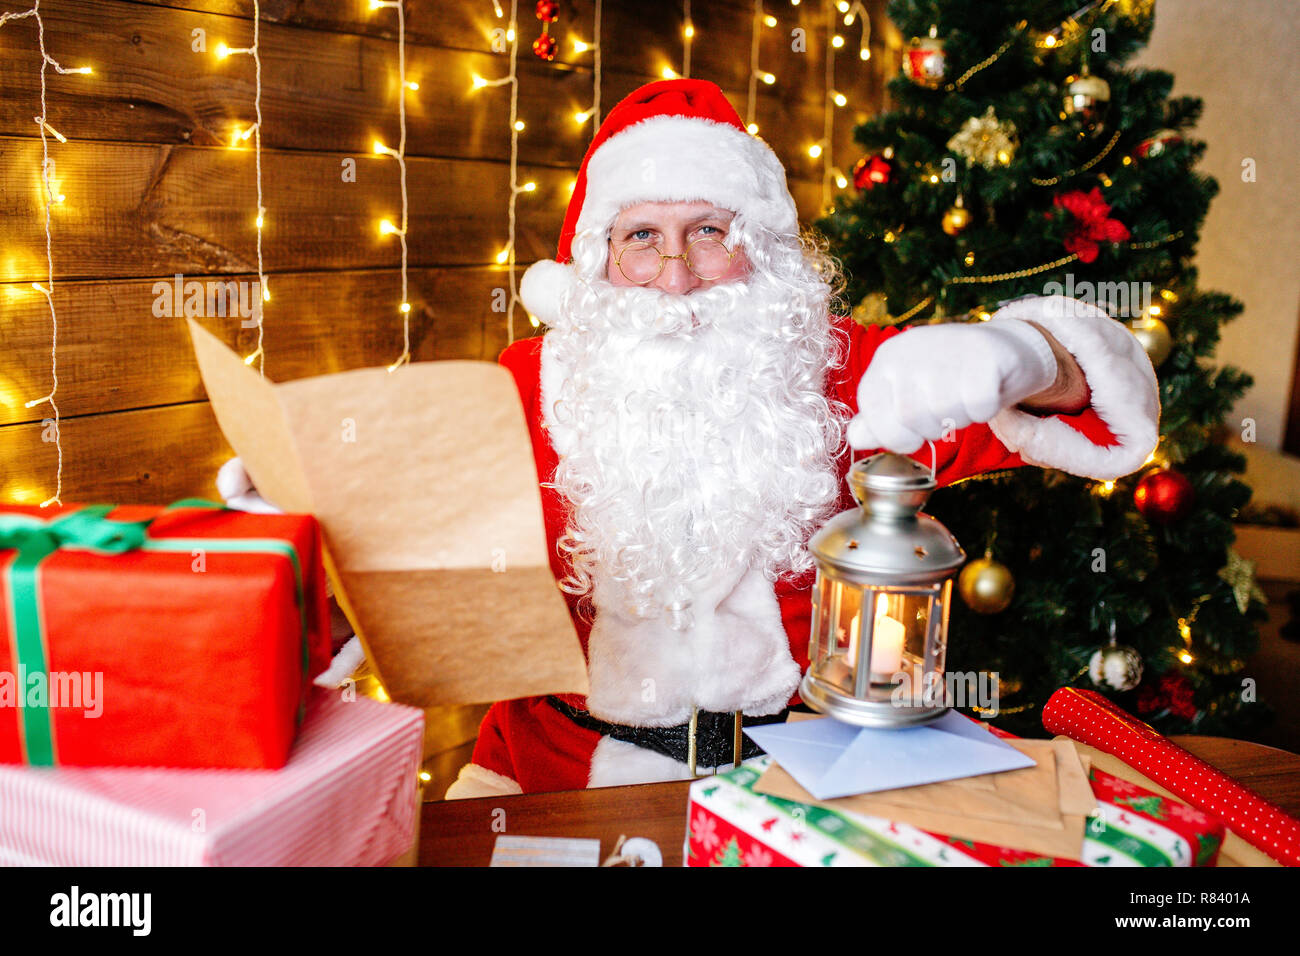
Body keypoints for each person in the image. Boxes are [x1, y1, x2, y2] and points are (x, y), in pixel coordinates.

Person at [221, 79, 1159, 797]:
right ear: (598, 258)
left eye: (708, 230)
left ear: (761, 247)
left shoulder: (840, 374)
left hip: (801, 779)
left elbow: (1099, 410)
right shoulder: (527, 385)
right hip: (553, 778)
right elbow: (378, 529)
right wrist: (305, 511)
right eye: (641, 238)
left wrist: (1024, 356)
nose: (676, 278)